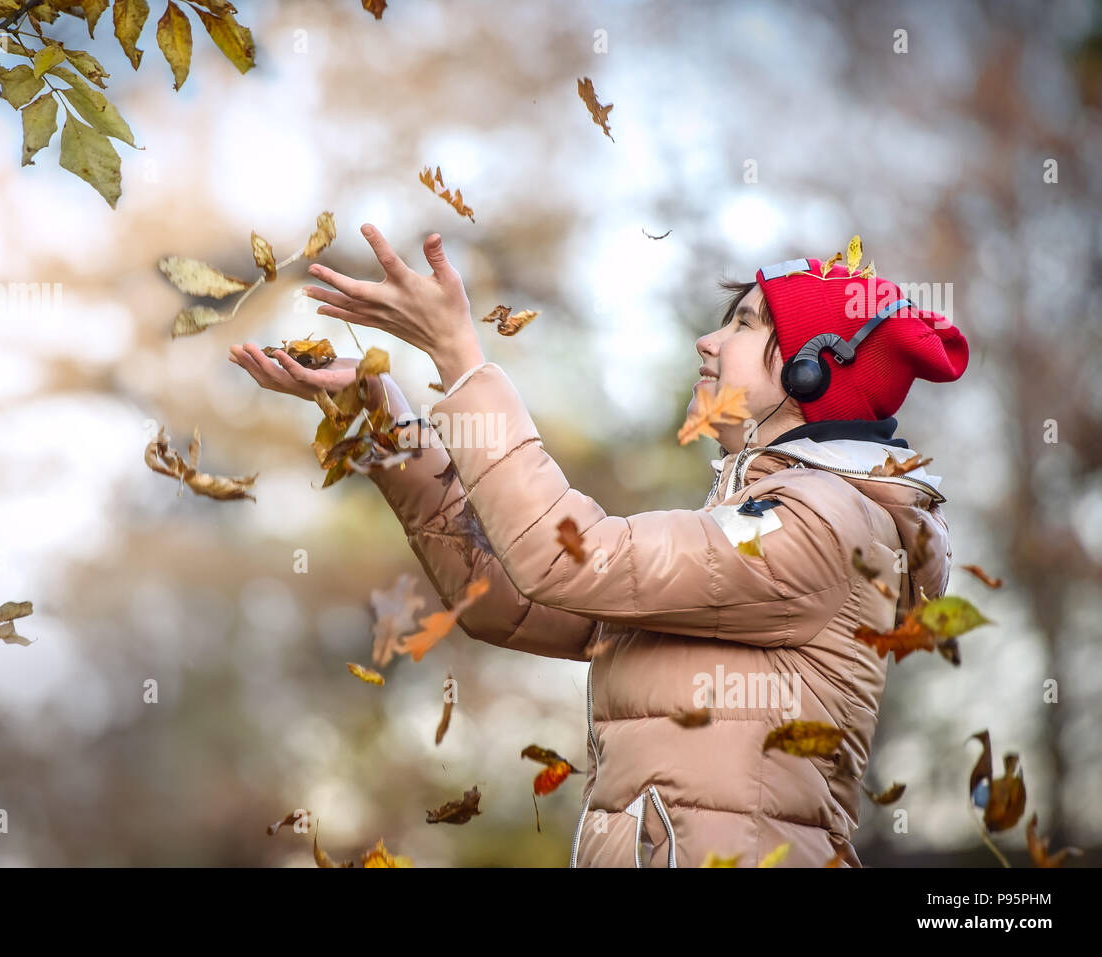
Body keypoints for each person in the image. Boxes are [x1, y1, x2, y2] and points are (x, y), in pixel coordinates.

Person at [228, 225, 970, 867]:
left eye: (745, 324)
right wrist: (381, 416)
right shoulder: (763, 523)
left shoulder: (819, 524)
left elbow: (567, 557)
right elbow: (503, 597)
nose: (708, 340)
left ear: (816, 368)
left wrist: (459, 353)